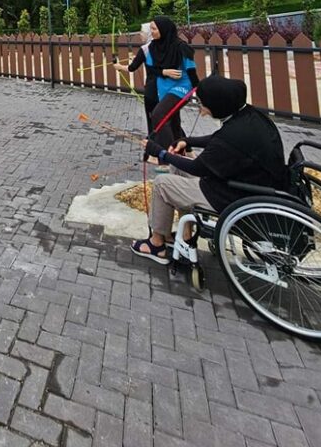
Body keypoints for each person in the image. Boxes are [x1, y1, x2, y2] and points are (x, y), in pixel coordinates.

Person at [131, 74, 288, 264]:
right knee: (178, 168)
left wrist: (161, 153)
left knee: (163, 183)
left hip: (230, 196)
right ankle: (184, 235)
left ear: (219, 105)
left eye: (204, 105)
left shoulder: (230, 139)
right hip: (248, 184)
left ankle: (156, 245)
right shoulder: (248, 116)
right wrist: (187, 141)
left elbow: (197, 167)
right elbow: (218, 139)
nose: (202, 111)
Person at [145, 15, 198, 150]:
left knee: (158, 114)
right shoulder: (152, 48)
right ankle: (183, 152)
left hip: (182, 87)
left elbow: (191, 71)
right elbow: (152, 69)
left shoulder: (181, 47)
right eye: (150, 29)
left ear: (164, 29)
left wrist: (199, 91)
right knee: (174, 121)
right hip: (163, 88)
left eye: (154, 29)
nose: (151, 32)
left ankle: (166, 157)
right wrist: (165, 72)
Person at [114, 22, 157, 134]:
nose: (140, 34)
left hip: (152, 88)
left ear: (149, 33)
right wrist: (138, 57)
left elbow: (132, 68)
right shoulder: (160, 46)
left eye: (142, 32)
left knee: (152, 116)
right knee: (169, 117)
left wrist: (118, 66)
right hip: (165, 88)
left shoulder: (146, 48)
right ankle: (187, 147)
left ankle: (152, 140)